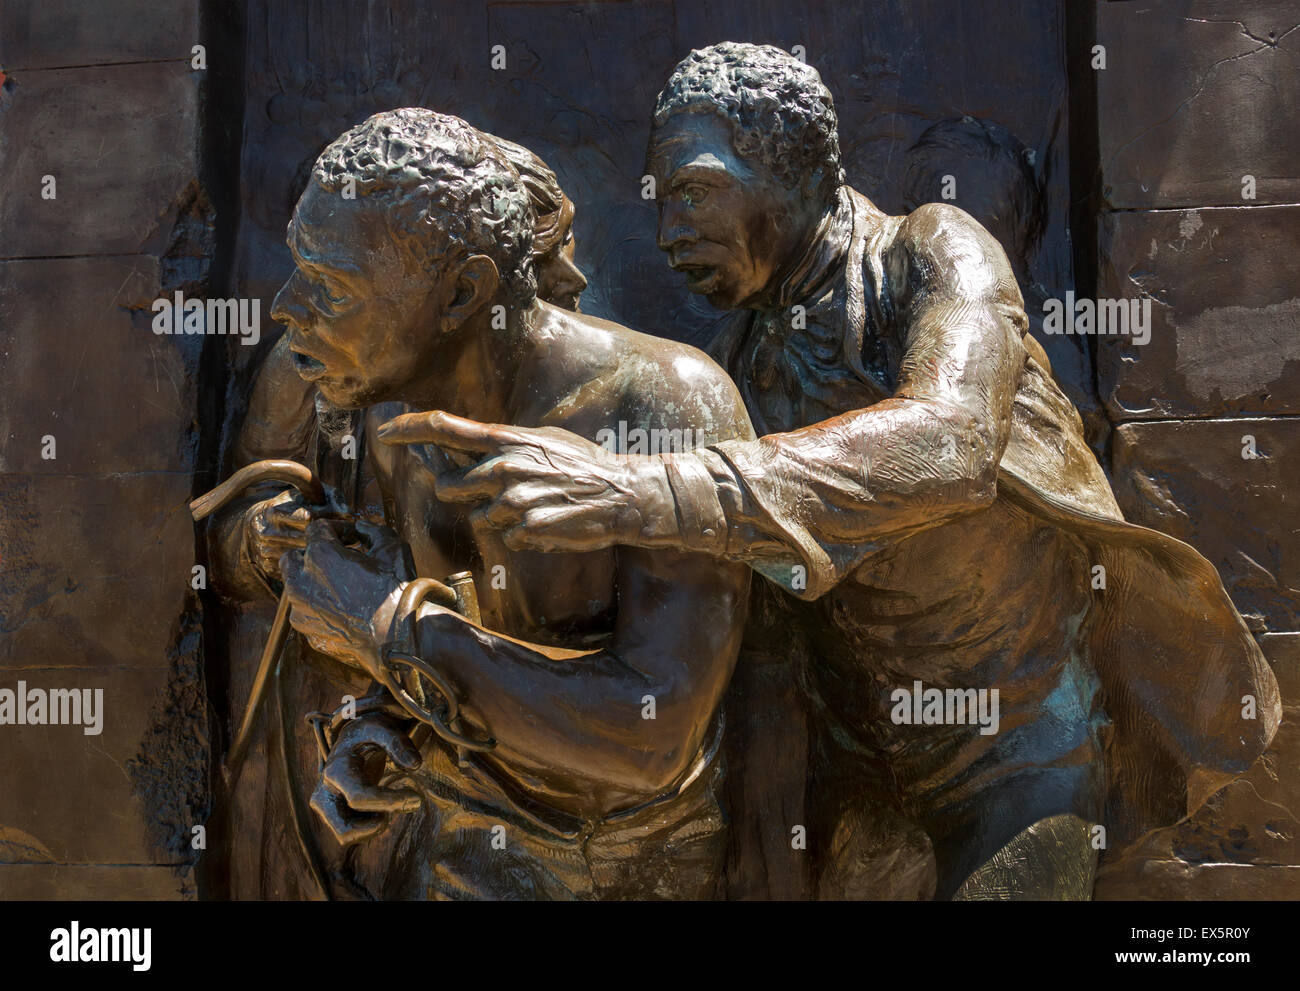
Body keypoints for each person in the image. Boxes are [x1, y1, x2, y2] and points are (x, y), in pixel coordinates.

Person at [377, 44, 1280, 899]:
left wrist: (650, 489)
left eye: (695, 193)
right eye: (662, 201)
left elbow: (952, 442)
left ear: (802, 172)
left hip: (1016, 744)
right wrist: (416, 713)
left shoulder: (935, 251)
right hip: (845, 759)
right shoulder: (721, 369)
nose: (668, 230)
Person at [265, 108, 754, 900]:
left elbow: (653, 735)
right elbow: (471, 646)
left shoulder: (662, 405)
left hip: (622, 868)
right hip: (457, 840)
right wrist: (389, 725)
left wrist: (383, 627)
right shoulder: (395, 412)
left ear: (463, 293)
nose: (287, 305)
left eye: (331, 284)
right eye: (297, 268)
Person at [205, 129, 592, 899]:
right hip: (345, 696)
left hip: (491, 744)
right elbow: (229, 526)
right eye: (555, 253)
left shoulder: (582, 397)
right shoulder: (312, 360)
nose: (573, 274)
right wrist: (262, 540)